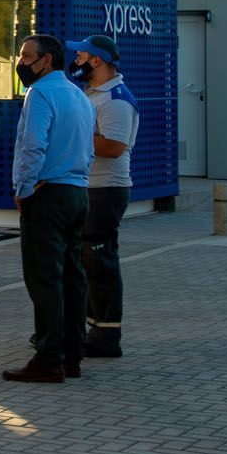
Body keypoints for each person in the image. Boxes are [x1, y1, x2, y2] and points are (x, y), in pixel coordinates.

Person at [4, 33, 95, 384]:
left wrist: (24, 189)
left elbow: (32, 145)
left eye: (27, 56)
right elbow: (87, 147)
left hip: (47, 194)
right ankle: (73, 355)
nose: (22, 62)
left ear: (47, 61)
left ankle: (48, 358)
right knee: (73, 277)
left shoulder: (40, 93)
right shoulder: (78, 95)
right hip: (77, 193)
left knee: (44, 279)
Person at [66, 34, 138, 359]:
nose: (76, 62)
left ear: (97, 61)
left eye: (81, 56)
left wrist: (75, 137)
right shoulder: (94, 95)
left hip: (106, 190)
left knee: (100, 260)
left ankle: (107, 336)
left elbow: (114, 146)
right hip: (90, 188)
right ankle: (89, 329)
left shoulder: (115, 100)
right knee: (88, 261)